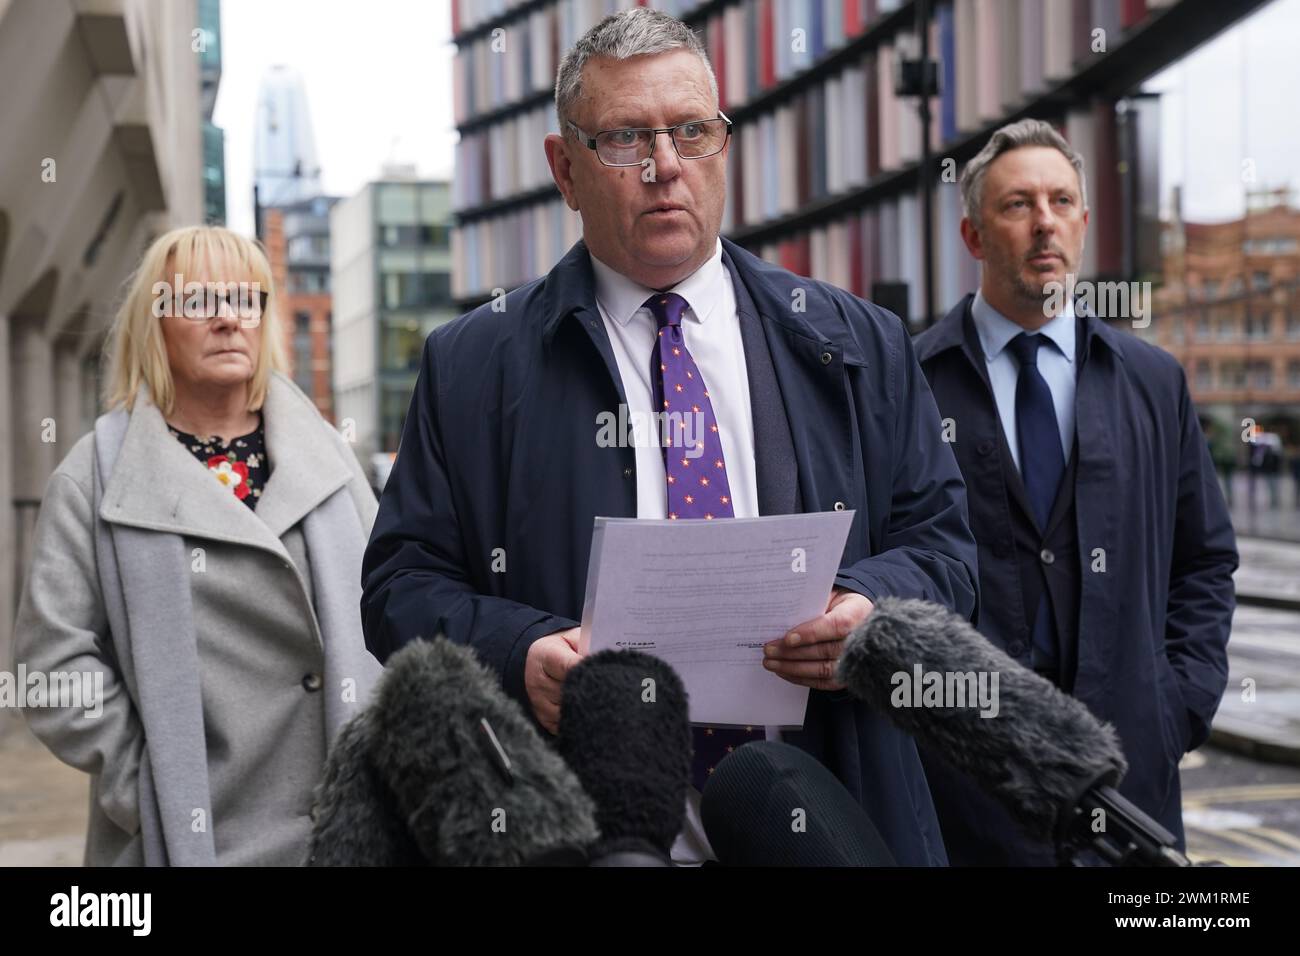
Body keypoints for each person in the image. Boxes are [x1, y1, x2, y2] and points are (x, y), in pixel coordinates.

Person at [362, 7, 977, 867]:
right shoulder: (475, 367)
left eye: (692, 131)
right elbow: (399, 586)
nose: (665, 167)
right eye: (625, 140)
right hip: (580, 833)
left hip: (824, 821)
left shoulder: (856, 342)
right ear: (564, 168)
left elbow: (945, 548)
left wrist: (866, 612)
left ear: (723, 143)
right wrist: (518, 653)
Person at [913, 120, 1238, 864]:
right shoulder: (912, 383)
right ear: (973, 234)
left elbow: (1205, 562)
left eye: (1062, 201)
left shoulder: (1153, 382)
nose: (1044, 223)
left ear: (1085, 222)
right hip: (968, 797)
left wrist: (1175, 708)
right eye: (1017, 205)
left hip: (1130, 786)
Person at [14, 225, 381, 865]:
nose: (226, 320)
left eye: (245, 300)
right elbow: (51, 671)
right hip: (190, 841)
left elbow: (389, 608)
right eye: (195, 301)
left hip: (340, 833)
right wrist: (156, 788)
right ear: (152, 324)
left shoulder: (330, 458)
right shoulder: (93, 476)